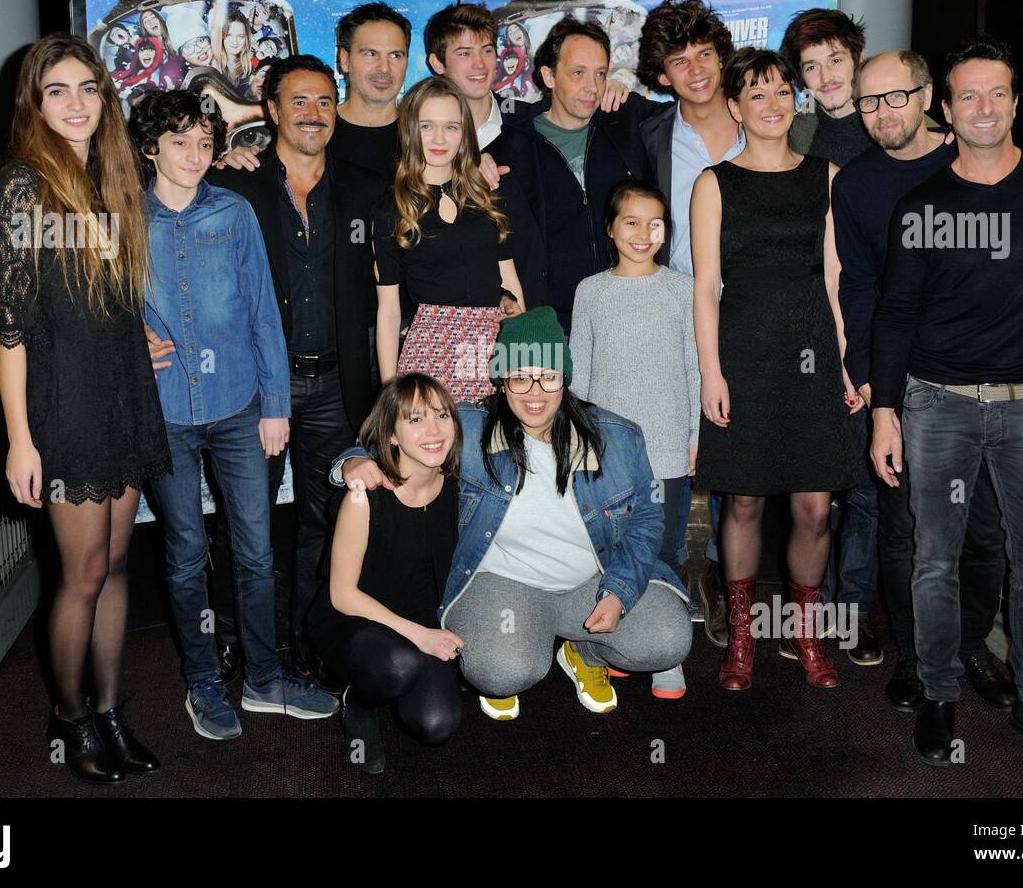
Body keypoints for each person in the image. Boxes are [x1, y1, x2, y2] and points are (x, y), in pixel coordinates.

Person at [870, 37, 1023, 772]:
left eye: (996, 93)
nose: (982, 107)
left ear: (1014, 102)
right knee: (935, 563)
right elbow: (896, 315)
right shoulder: (921, 205)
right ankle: (939, 695)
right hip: (936, 406)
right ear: (945, 109)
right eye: (967, 95)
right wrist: (885, 411)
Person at [333, 308, 693, 721]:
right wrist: (352, 462)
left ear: (565, 378)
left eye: (549, 375)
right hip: (505, 586)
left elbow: (647, 518)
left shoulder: (617, 435)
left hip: (592, 580)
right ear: (502, 381)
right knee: (502, 671)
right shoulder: (469, 429)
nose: (535, 391)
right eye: (520, 376)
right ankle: (526, 641)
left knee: (670, 638)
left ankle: (584, 652)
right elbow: (403, 436)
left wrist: (620, 590)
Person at [153, 55, 384, 685]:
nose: (313, 113)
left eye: (324, 101)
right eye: (299, 101)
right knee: (244, 521)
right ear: (273, 109)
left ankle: (311, 634)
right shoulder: (237, 186)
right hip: (259, 385)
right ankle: (228, 637)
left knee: (327, 513)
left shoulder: (365, 185)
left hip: (339, 385)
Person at [0, 33, 171, 784]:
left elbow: (106, 293)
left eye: (87, 88)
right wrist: (20, 441)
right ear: (35, 102)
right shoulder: (22, 185)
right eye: (56, 90)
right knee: (83, 571)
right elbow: (9, 326)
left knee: (121, 561)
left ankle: (109, 706)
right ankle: (70, 718)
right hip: (62, 404)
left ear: (106, 97)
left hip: (123, 389)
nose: (74, 104)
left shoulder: (111, 175)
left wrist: (141, 329)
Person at [131, 89, 339, 739]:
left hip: (241, 406)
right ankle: (203, 683)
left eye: (204, 142)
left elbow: (262, 313)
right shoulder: (124, 222)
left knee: (255, 550)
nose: (195, 154)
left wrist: (276, 405)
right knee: (187, 550)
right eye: (180, 141)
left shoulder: (236, 212)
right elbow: (99, 305)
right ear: (149, 148)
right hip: (164, 413)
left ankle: (264, 677)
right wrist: (133, 328)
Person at [832, 49, 1014, 709]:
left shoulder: (973, 158)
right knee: (903, 528)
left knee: (985, 531)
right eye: (869, 102)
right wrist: (869, 379)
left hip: (986, 379)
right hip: (901, 381)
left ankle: (970, 647)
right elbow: (859, 285)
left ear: (927, 93)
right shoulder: (853, 184)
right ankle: (913, 656)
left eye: (896, 97)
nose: (882, 113)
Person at [691, 48, 863, 692]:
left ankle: (806, 634)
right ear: (735, 107)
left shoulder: (826, 175)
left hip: (814, 353)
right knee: (742, 500)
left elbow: (835, 276)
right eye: (756, 95)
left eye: (782, 92)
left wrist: (848, 364)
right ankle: (741, 639)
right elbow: (706, 288)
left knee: (816, 508)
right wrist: (712, 372)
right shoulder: (713, 183)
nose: (772, 105)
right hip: (744, 355)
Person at [634, 0, 743, 637]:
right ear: (661, 75)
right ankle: (667, 581)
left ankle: (733, 583)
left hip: (752, 312)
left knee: (738, 454)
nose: (697, 70)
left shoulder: (763, 117)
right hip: (673, 312)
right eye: (680, 61)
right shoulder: (647, 131)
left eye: (705, 54)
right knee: (673, 447)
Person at [570, 180, 699, 700]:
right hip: (603, 452)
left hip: (667, 447)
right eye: (631, 222)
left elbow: (695, 367)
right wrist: (573, 440)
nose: (644, 234)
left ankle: (667, 651)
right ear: (610, 229)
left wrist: (696, 436)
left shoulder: (682, 289)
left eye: (655, 224)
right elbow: (577, 376)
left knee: (664, 547)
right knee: (609, 548)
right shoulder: (590, 291)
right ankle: (617, 636)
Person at [309, 374, 465, 773]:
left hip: (420, 617)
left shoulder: (457, 485)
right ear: (391, 434)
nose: (433, 431)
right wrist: (421, 636)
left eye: (441, 416)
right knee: (398, 665)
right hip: (354, 621)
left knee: (437, 724)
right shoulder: (365, 496)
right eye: (414, 420)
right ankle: (359, 704)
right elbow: (342, 595)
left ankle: (398, 677)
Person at [484, 18, 661, 333]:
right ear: (549, 76)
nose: (592, 87)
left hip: (630, 318)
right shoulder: (510, 149)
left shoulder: (626, 123)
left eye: (600, 74)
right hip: (549, 326)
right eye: (578, 73)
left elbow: (692, 119)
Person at [374, 76, 526, 401]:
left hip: (494, 347)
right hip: (430, 353)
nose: (439, 138)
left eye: (451, 127)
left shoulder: (488, 198)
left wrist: (522, 353)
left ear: (465, 133)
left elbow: (509, 279)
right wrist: (390, 394)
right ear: (411, 130)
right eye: (427, 126)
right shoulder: (393, 209)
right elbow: (388, 311)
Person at [779, 8, 873, 166]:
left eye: (835, 61)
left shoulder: (889, 125)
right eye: (812, 67)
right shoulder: (795, 133)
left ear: (859, 59)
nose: (826, 78)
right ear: (801, 77)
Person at [329, 1, 410, 179]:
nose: (384, 68)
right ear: (344, 59)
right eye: (371, 54)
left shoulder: (424, 136)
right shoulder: (316, 131)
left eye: (395, 55)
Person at [424, 2, 512, 150]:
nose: (479, 64)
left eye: (487, 51)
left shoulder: (529, 123)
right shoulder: (418, 134)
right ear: (438, 63)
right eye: (465, 53)